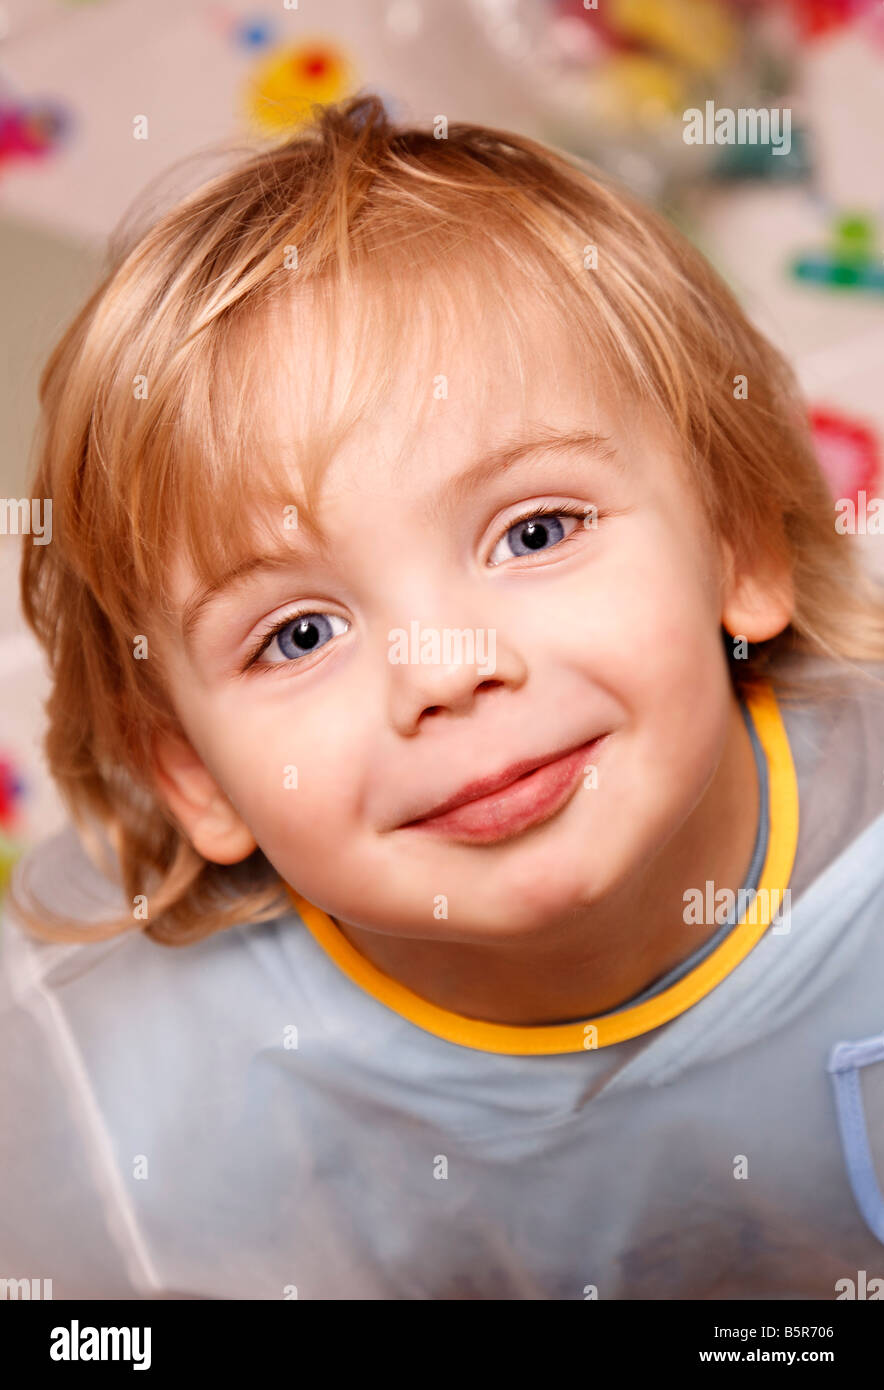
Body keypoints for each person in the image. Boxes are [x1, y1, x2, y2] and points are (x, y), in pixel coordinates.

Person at [2, 94, 883, 1300]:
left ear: (737, 551)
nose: (443, 669)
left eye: (534, 530)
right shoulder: (118, 1076)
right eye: (298, 633)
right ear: (194, 776)